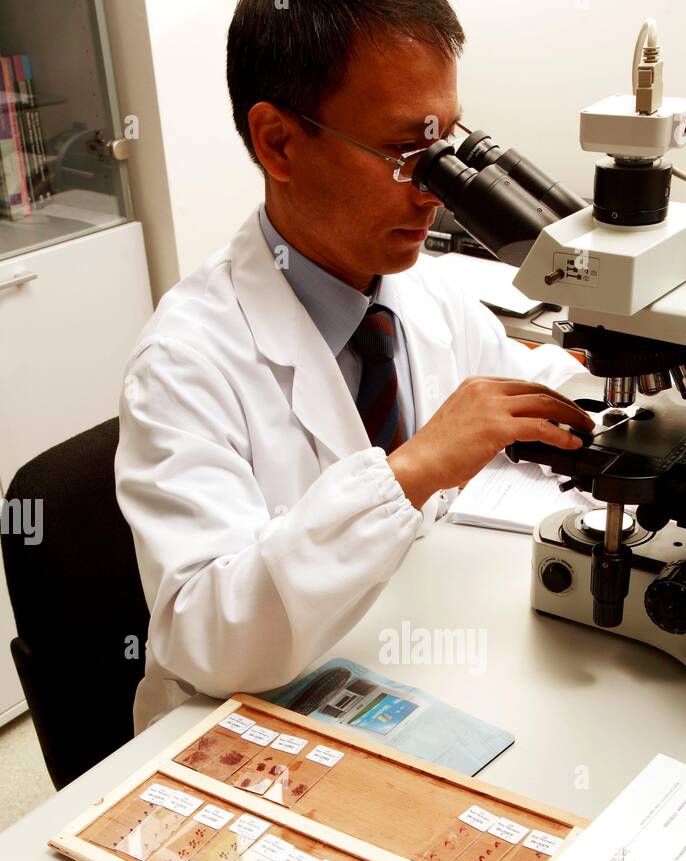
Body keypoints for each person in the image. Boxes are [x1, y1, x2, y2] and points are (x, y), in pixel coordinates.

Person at [116, 0, 591, 732]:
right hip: (249, 726)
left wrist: (632, 384)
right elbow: (207, 634)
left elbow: (531, 395)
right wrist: (409, 474)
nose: (436, 190)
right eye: (407, 154)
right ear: (278, 143)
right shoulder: (184, 359)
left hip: (412, 659)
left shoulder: (423, 288)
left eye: (449, 145)